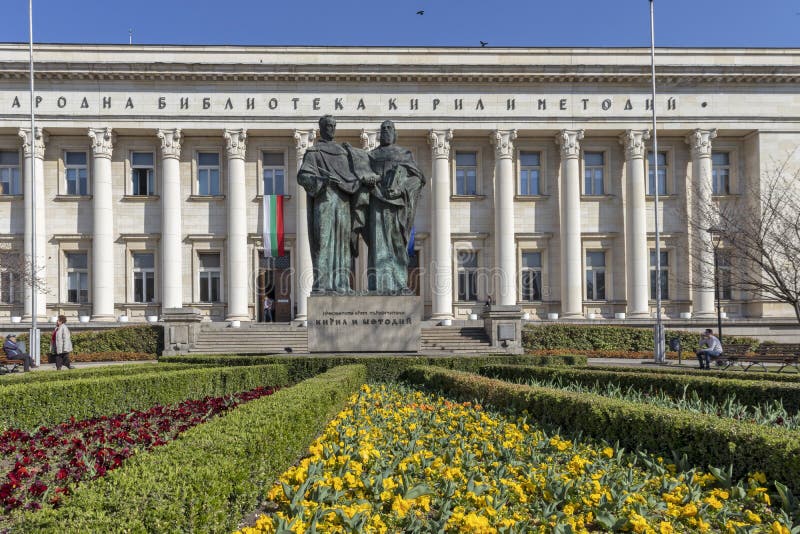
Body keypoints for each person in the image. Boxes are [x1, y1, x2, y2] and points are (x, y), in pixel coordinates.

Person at [297, 115, 375, 293]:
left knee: (343, 243)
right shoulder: (314, 152)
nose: (331, 128)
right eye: (327, 125)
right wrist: (321, 180)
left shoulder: (344, 152)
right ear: (321, 128)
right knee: (324, 241)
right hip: (324, 200)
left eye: (333, 125)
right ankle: (323, 285)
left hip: (344, 202)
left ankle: (342, 284)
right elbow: (303, 176)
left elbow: (355, 176)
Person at [358, 120, 426, 293]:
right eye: (383, 129)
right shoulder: (371, 155)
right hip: (376, 203)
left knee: (396, 243)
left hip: (397, 206)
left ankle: (398, 284)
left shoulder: (404, 154)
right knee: (377, 244)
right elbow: (362, 175)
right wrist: (369, 179)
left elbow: (418, 178)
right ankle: (377, 286)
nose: (386, 131)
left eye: (390, 128)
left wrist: (401, 189)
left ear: (395, 133)